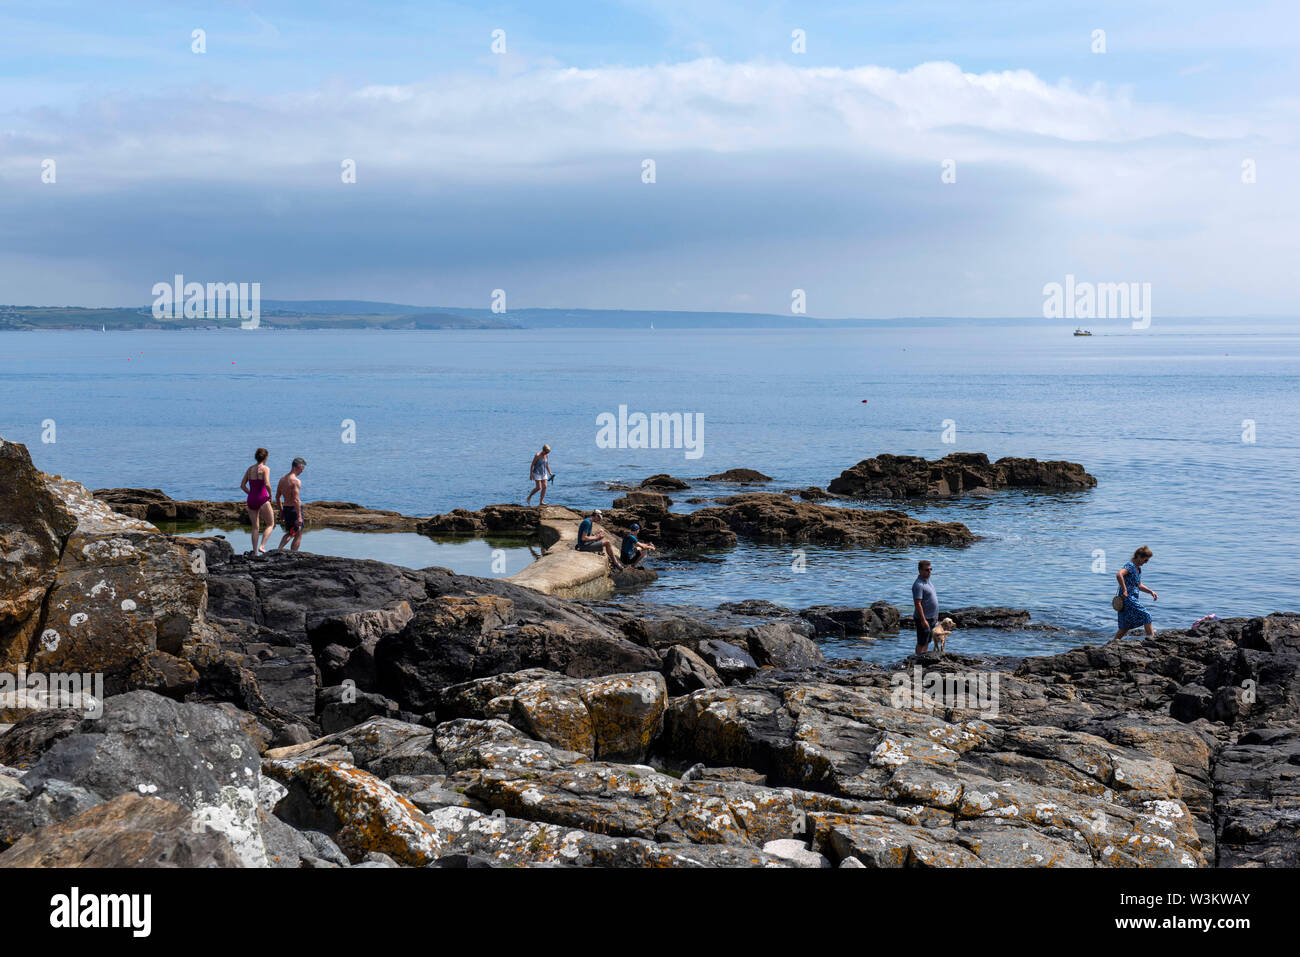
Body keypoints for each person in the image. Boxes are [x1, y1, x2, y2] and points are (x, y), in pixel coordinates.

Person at [1113, 546, 1158, 639]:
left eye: (1147, 561)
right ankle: (1151, 640)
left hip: (1131, 598)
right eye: (1145, 560)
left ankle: (1112, 644)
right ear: (1138, 556)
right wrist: (1124, 589)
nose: (1145, 563)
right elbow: (1119, 574)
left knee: (1125, 626)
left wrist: (1151, 592)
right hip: (1128, 598)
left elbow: (1139, 585)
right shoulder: (1130, 566)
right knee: (1146, 616)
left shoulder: (1138, 569)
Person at [240, 448, 275, 555]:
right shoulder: (265, 469)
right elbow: (267, 484)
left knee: (255, 527)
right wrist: (270, 495)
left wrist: (250, 493)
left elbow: (242, 486)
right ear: (266, 457)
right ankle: (262, 546)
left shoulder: (250, 469)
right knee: (270, 524)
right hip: (262, 498)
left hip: (251, 499)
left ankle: (255, 552)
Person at [275, 458, 307, 552]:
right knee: (297, 533)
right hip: (294, 510)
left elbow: (277, 497)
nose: (302, 471)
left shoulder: (282, 479)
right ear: (298, 467)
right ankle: (293, 553)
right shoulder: (296, 481)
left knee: (290, 532)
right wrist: (300, 517)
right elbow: (296, 500)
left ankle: (279, 549)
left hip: (286, 509)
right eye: (302, 468)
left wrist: (281, 512)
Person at [912, 559, 939, 654]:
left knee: (927, 641)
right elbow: (917, 603)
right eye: (927, 570)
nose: (929, 572)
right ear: (920, 570)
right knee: (921, 643)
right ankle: (917, 668)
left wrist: (935, 616)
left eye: (930, 569)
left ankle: (923, 663)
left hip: (931, 618)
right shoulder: (918, 585)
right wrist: (923, 620)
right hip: (923, 619)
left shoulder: (928, 582)